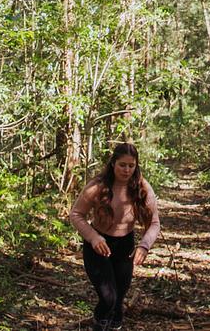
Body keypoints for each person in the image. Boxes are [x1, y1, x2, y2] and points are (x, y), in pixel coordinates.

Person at [68, 142, 161, 331]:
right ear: (113, 164)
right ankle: (99, 324)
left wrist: (144, 246)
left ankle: (114, 324)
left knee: (118, 300)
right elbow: (76, 214)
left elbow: (154, 223)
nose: (127, 170)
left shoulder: (141, 187)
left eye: (131, 165)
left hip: (125, 245)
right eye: (122, 165)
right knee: (108, 296)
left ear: (136, 166)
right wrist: (93, 237)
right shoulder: (98, 186)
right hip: (98, 246)